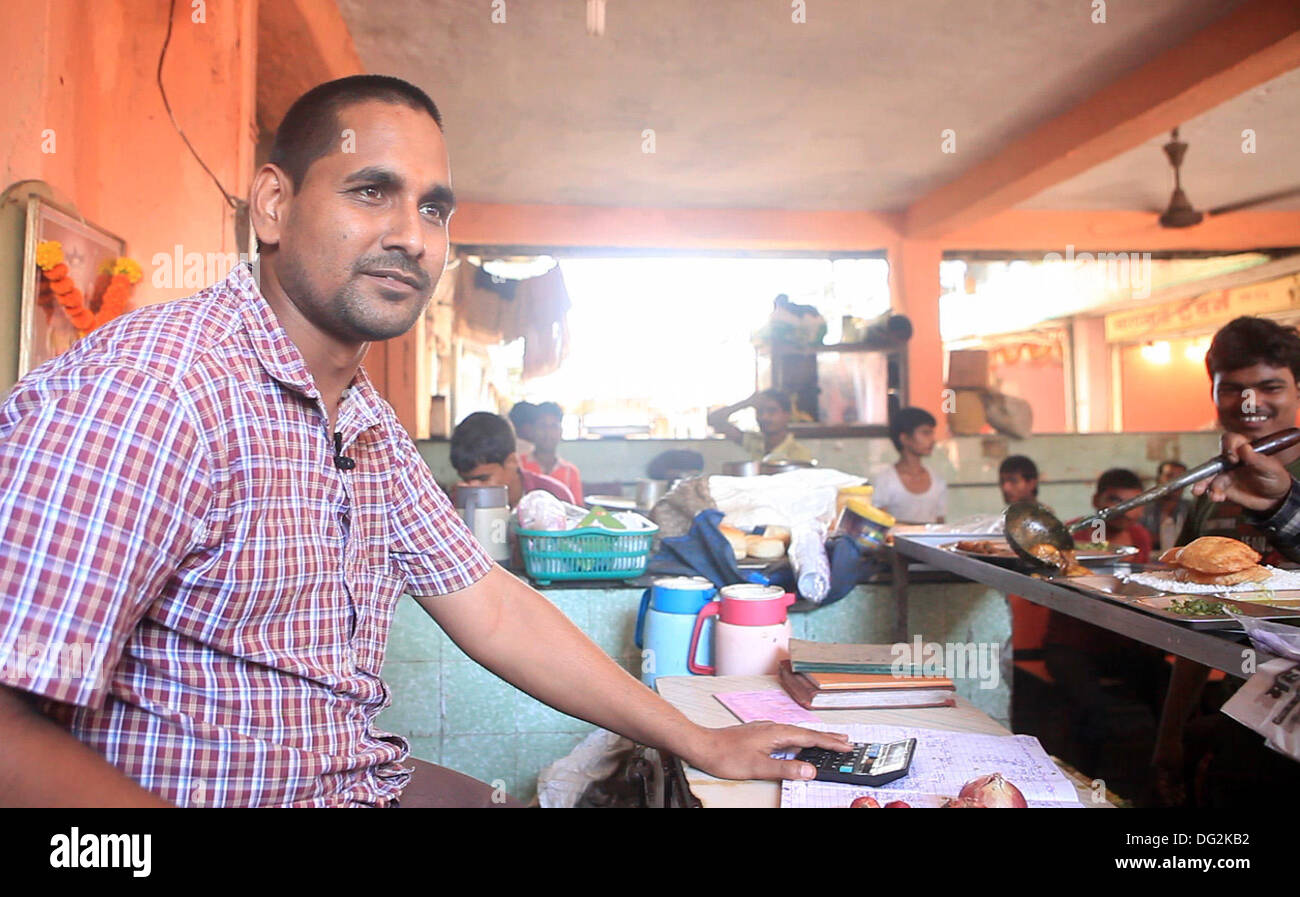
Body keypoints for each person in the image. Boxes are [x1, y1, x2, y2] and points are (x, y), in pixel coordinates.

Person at [0, 76, 850, 807]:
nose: (412, 233)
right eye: (372, 191)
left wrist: (699, 739)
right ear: (272, 205)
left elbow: (494, 605)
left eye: (433, 206)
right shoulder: (154, 393)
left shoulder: (362, 424)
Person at [1154, 316, 1300, 805]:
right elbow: (1197, 621)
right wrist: (1171, 731)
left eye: (1270, 386)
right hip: (1242, 717)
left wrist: (1282, 507)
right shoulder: (1211, 492)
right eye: (1232, 388)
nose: (1251, 403)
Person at [452, 411, 574, 506]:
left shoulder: (555, 498)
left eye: (483, 479)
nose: (473, 488)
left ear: (512, 462)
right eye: (466, 480)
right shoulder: (455, 504)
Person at [872, 407, 946, 523]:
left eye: (932, 433)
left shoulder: (937, 480)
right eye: (925, 433)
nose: (932, 440)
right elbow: (877, 524)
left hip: (932, 541)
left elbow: (941, 523)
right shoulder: (885, 480)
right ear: (904, 438)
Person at [707, 389, 814, 463]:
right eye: (760, 411)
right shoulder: (755, 442)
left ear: (787, 415)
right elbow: (714, 420)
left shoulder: (799, 454)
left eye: (772, 411)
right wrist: (745, 403)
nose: (764, 417)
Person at [1072, 468, 1153, 558]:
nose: (1124, 510)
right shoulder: (1070, 533)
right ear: (1096, 500)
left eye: (1133, 503)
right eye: (1116, 501)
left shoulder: (1140, 536)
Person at [519, 401, 584, 503]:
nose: (548, 432)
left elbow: (577, 512)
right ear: (532, 430)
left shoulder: (570, 472)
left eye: (553, 426)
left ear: (560, 431)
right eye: (542, 425)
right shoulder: (519, 465)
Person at [1139, 460, 1191, 552]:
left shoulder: (1191, 509)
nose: (1176, 482)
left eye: (1181, 477)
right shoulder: (1143, 508)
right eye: (1169, 476)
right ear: (1158, 480)